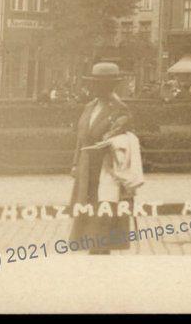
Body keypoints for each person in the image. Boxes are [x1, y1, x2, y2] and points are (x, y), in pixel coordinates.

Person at [68, 62, 135, 255]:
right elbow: (81, 138)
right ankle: (95, 249)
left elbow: (121, 140)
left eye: (98, 83)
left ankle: (100, 253)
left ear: (110, 85)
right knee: (89, 213)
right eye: (93, 83)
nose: (93, 87)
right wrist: (75, 163)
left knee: (104, 213)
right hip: (87, 168)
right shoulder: (90, 106)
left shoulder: (120, 109)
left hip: (106, 170)